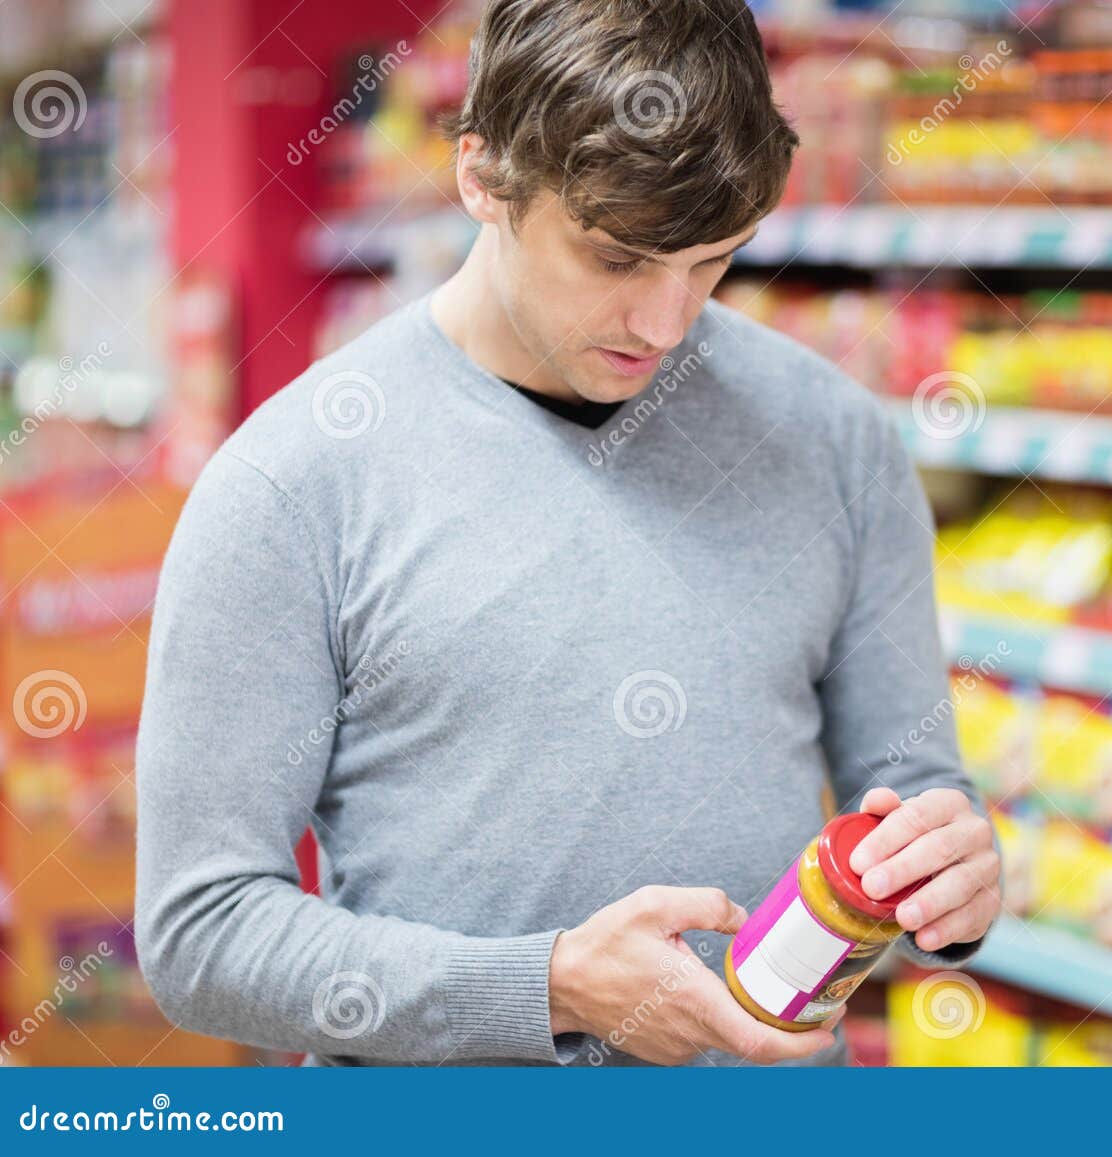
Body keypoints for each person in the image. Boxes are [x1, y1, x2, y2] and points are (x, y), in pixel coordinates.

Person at [134, 0, 999, 1067]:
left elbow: (916, 791)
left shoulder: (838, 442)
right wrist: (546, 987)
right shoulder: (292, 482)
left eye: (713, 259)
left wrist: (951, 877)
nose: (666, 321)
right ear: (480, 177)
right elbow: (199, 933)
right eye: (616, 258)